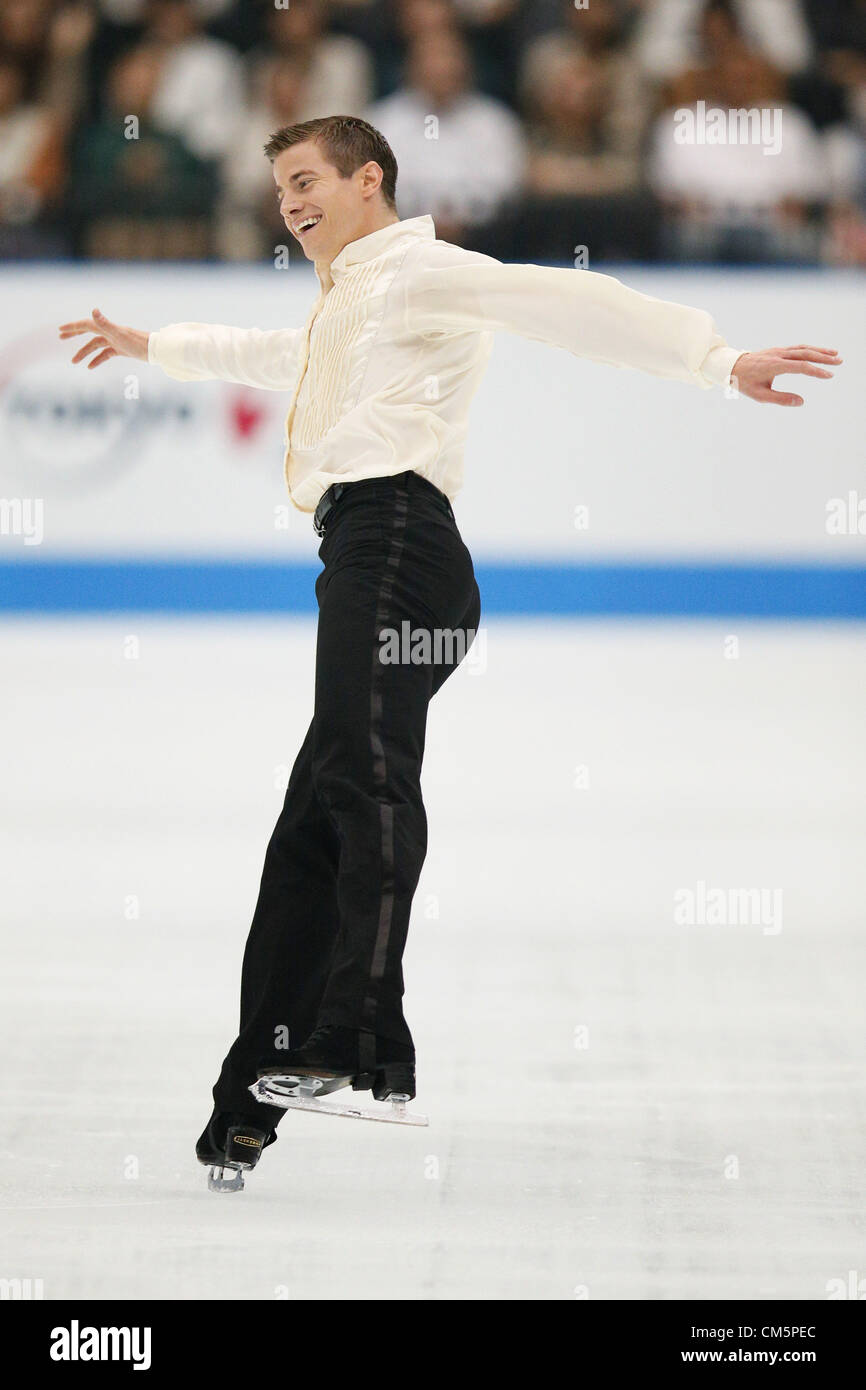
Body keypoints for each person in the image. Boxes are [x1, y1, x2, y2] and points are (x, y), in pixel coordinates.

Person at [58, 114, 842, 1185]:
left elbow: (568, 305)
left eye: (305, 181)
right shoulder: (351, 302)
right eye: (279, 188)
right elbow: (278, 357)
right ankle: (255, 1091)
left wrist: (714, 359)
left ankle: (365, 1036)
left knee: (361, 778)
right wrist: (155, 345)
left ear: (366, 178)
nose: (288, 205)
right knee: (311, 827)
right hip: (372, 556)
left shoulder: (418, 270)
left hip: (398, 551)